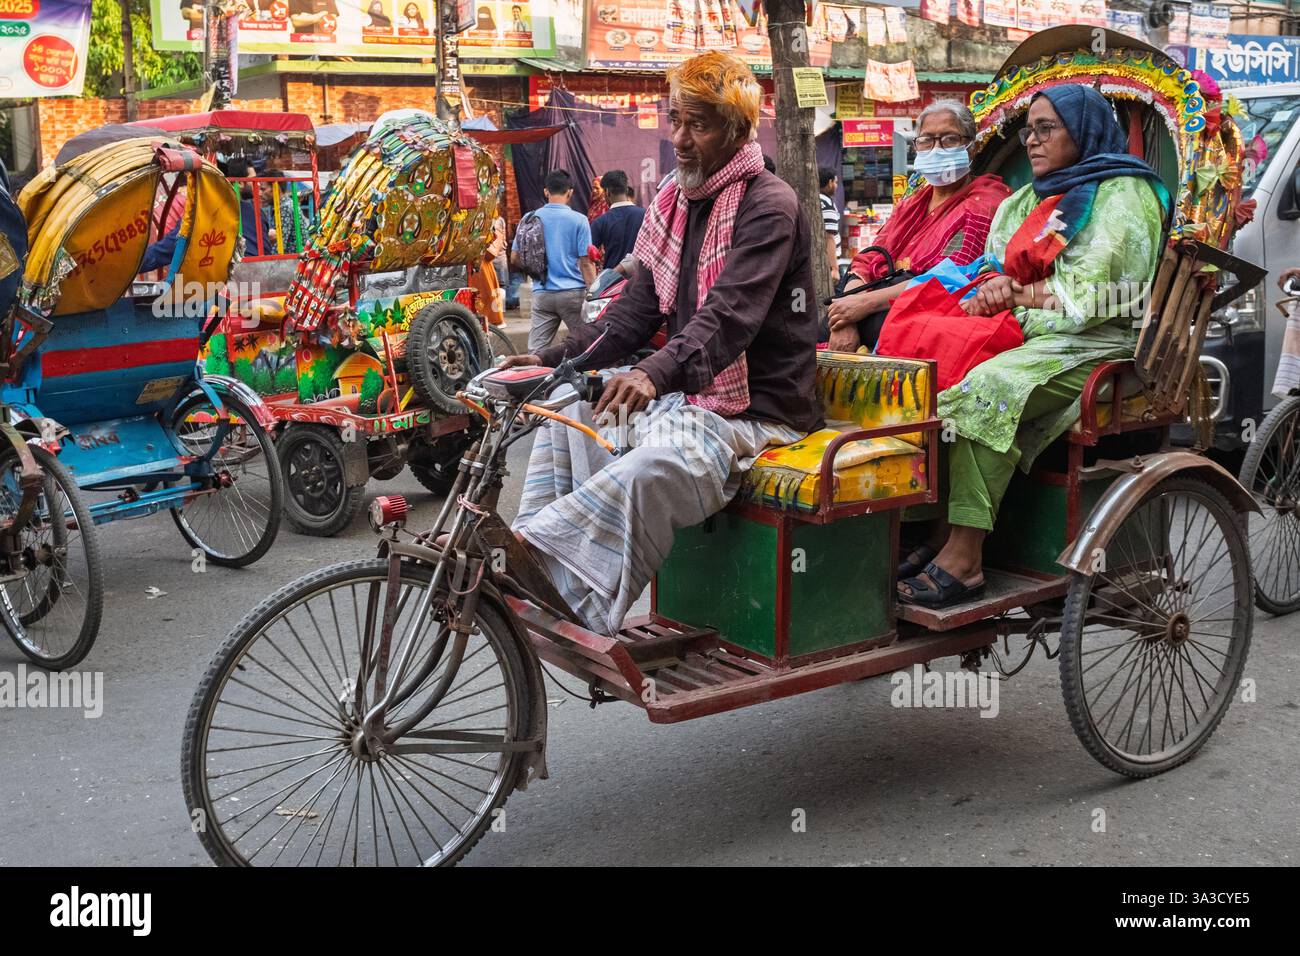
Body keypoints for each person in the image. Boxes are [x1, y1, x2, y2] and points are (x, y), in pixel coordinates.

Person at [497, 51, 822, 636]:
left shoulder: (769, 204)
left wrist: (652, 374)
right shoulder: (673, 203)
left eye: (698, 124)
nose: (681, 139)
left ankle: (560, 581)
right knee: (564, 412)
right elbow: (631, 315)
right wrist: (548, 362)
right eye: (675, 121)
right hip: (694, 399)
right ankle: (537, 561)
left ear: (738, 129)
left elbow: (728, 318)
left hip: (760, 414)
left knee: (650, 466)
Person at [897, 85, 1170, 608]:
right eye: (1029, 130)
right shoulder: (1027, 197)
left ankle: (966, 556)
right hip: (1026, 331)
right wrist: (993, 287)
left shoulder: (1123, 192)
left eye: (1047, 128)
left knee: (988, 387)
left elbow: (1097, 297)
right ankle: (930, 530)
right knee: (924, 371)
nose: (1032, 142)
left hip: (1094, 344)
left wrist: (1015, 293)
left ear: (1083, 130)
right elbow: (989, 268)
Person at [826, 100, 1010, 353]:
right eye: (926, 140)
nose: (936, 149)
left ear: (971, 147)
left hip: (925, 310)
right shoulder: (912, 203)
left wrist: (864, 304)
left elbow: (949, 278)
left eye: (948, 139)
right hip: (876, 299)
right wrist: (846, 311)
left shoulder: (985, 203)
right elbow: (869, 259)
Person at [511, 169, 596, 352]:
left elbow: (515, 258)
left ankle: (535, 378)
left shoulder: (528, 219)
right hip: (573, 294)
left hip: (542, 294)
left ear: (546, 191)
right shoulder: (579, 220)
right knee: (584, 347)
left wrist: (536, 271)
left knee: (536, 352)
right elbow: (586, 263)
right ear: (570, 192)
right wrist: (595, 294)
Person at [590, 169, 645, 278]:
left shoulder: (600, 222)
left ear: (607, 192)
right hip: (640, 282)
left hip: (611, 283)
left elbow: (589, 256)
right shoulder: (645, 215)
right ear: (626, 189)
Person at [819, 165, 841, 288]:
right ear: (830, 182)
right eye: (835, 182)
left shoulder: (817, 199)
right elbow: (829, 238)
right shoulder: (826, 203)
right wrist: (834, 268)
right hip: (827, 264)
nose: (836, 186)